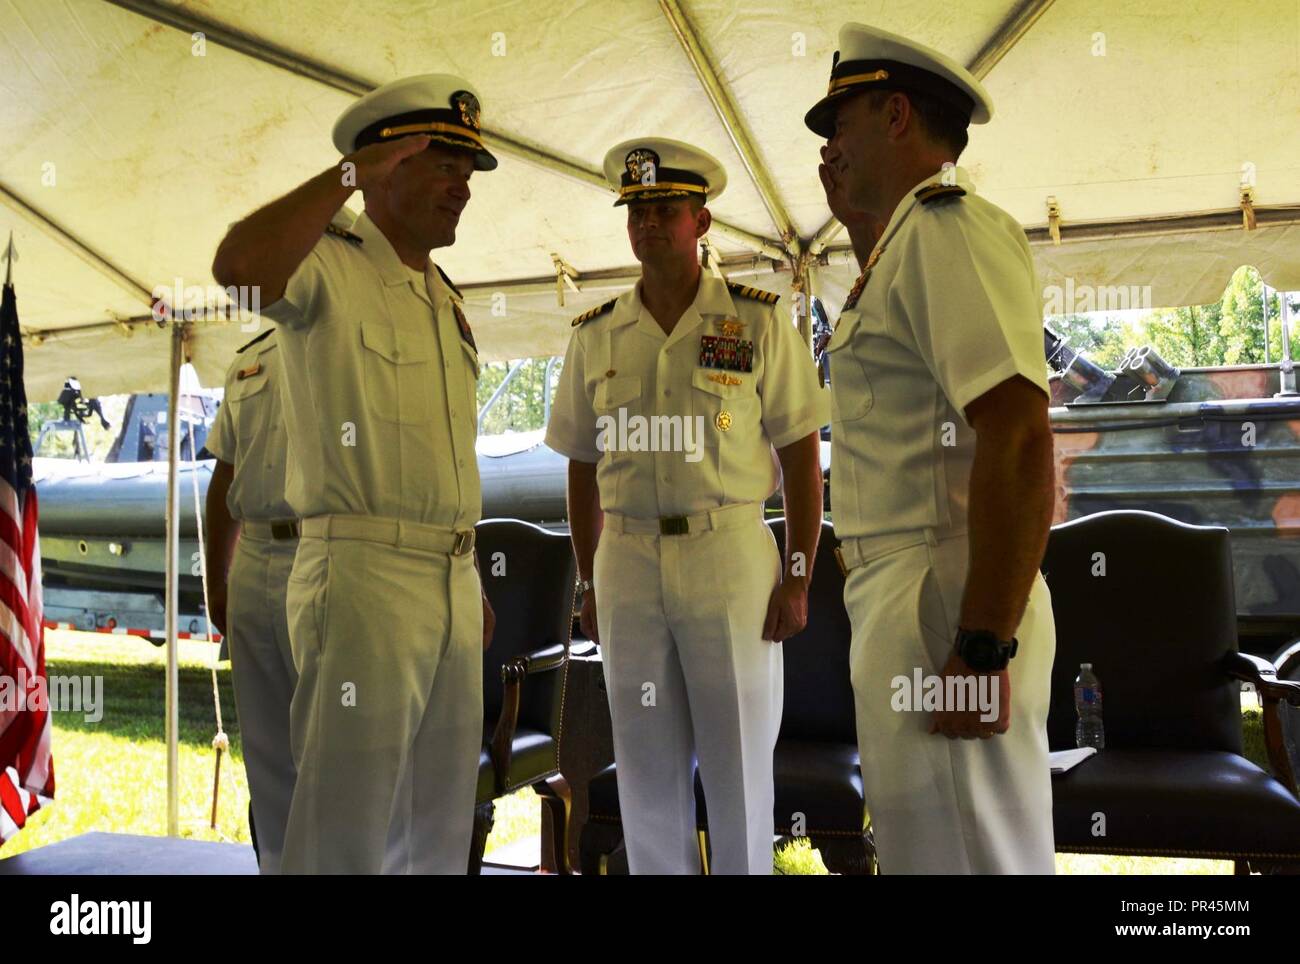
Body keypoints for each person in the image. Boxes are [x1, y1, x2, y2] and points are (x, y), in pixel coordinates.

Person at [211, 73, 496, 874]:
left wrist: (465, 576)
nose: (462, 187)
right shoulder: (329, 262)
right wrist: (344, 177)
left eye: (469, 171)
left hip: (449, 575)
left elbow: (445, 455)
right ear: (385, 163)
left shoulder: (445, 299)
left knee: (438, 828)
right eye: (446, 164)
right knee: (344, 831)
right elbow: (237, 269)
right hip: (363, 574)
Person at [806, 22, 1058, 874]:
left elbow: (1019, 433)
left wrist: (982, 640)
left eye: (841, 120)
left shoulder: (947, 229)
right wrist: (855, 230)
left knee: (970, 851)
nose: (830, 145)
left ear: (899, 115)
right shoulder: (903, 246)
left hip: (941, 596)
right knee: (937, 849)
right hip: (912, 593)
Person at [545, 138, 828, 874]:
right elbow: (581, 465)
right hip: (628, 563)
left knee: (737, 769)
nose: (648, 224)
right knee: (642, 770)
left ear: (702, 221)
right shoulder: (596, 334)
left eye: (665, 209)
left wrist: (798, 576)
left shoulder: (756, 321)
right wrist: (589, 580)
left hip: (728, 551)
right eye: (637, 210)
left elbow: (802, 452)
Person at [203, 327, 298, 874]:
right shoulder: (249, 361)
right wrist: (218, 581)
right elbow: (225, 475)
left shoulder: (344, 342)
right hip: (258, 557)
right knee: (267, 756)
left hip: (325, 552)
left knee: (329, 747)